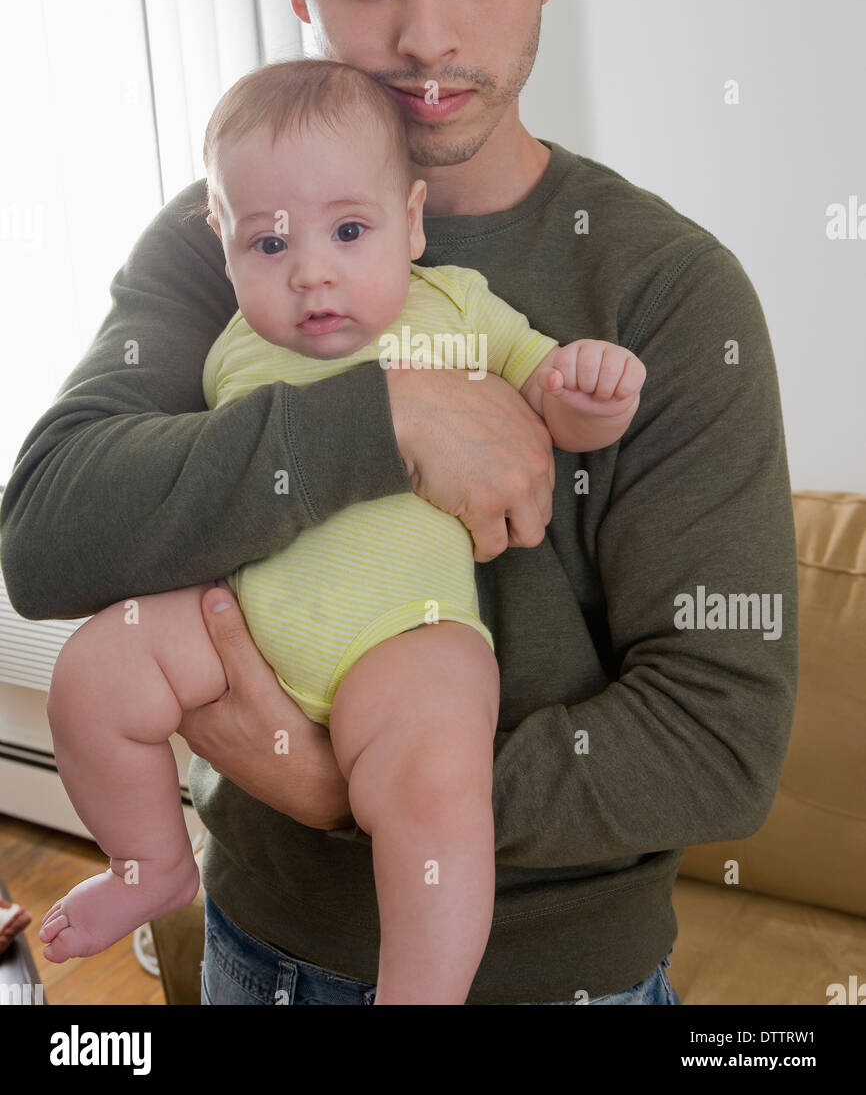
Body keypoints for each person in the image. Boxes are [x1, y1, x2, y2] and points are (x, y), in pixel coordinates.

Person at [0, 0, 798, 1006]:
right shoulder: (230, 238)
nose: (426, 35)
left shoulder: (669, 292)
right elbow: (47, 532)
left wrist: (345, 785)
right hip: (249, 947)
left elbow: (715, 746)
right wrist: (385, 415)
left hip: (556, 987)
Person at [38, 57, 646, 1006]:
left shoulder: (456, 308)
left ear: (410, 223)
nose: (313, 271)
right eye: (268, 246)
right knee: (91, 671)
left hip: (405, 634)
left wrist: (591, 396)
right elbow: (83, 513)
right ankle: (150, 865)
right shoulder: (226, 346)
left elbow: (550, 400)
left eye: (351, 230)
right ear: (223, 244)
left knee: (436, 796)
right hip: (240, 623)